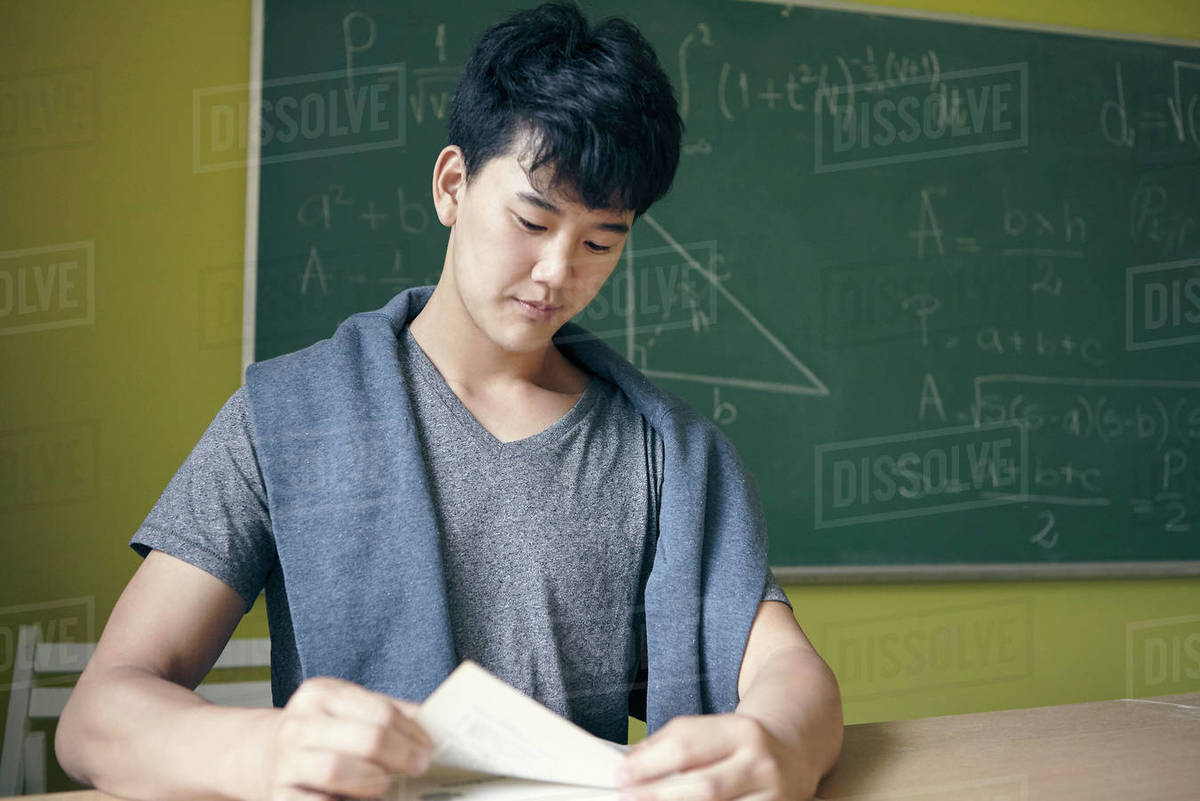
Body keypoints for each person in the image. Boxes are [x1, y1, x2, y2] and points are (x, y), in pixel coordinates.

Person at [55, 3, 843, 800]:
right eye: (532, 220)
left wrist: (780, 740)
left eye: (601, 242)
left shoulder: (663, 454)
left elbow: (786, 669)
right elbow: (98, 713)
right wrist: (263, 750)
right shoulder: (289, 417)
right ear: (453, 186)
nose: (556, 272)